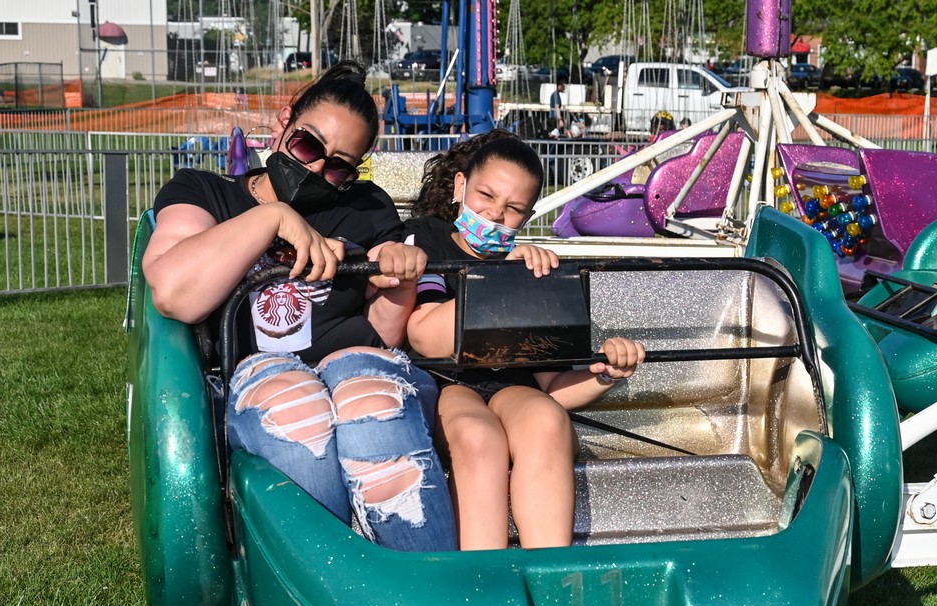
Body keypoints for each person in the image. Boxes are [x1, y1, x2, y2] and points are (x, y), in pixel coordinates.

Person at [142, 61, 455, 552]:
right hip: (259, 374)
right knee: (293, 405)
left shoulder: (368, 208)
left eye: (338, 166)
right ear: (282, 122)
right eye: (307, 145)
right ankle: (331, 582)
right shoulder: (205, 193)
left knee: (371, 401)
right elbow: (173, 292)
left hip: (356, 366)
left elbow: (385, 334)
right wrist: (272, 218)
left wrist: (399, 280)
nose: (315, 169)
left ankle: (429, 590)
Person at [405, 130, 645, 550]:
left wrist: (607, 373)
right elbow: (425, 336)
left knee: (546, 421)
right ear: (460, 186)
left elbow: (555, 388)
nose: (495, 215)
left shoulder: (536, 268)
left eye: (514, 209)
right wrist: (500, 281)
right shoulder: (426, 238)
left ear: (529, 215)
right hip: (445, 383)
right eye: (486, 196)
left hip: (512, 387)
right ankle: (485, 583)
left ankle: (551, 574)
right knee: (479, 436)